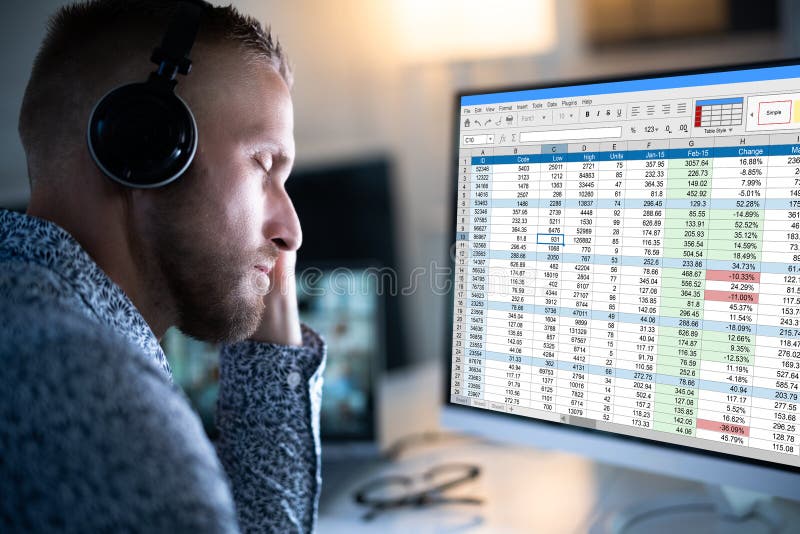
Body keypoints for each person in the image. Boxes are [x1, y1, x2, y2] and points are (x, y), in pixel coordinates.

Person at [0, 0, 326, 532]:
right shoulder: (83, 393)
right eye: (263, 164)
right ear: (143, 144)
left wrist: (271, 357)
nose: (292, 231)